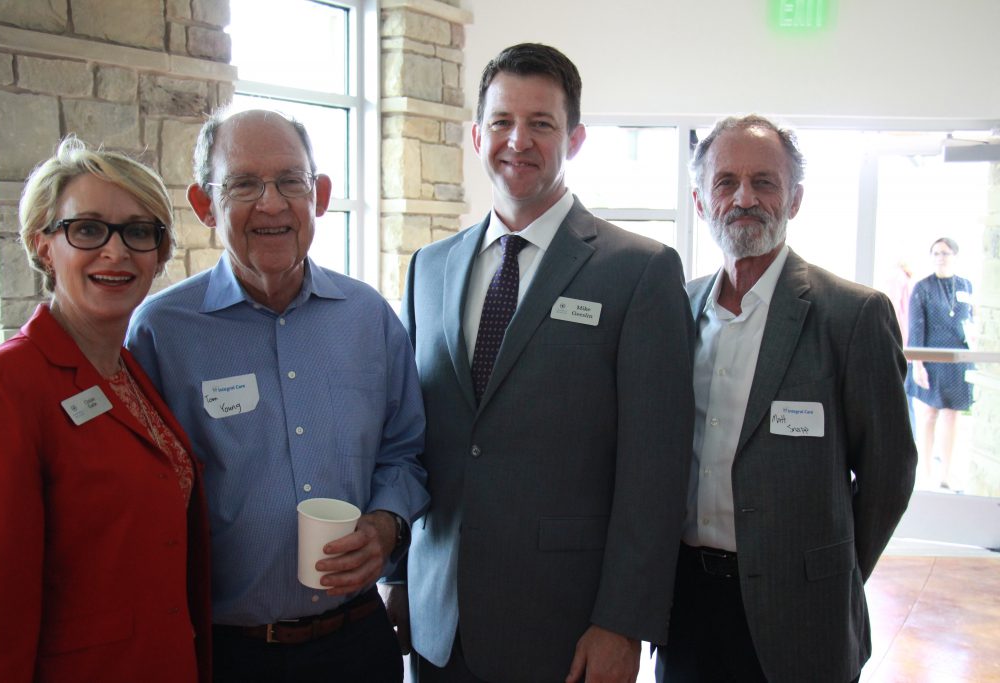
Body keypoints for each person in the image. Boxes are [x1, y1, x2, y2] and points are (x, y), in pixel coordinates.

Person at [388, 43, 695, 683]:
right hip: (437, 619)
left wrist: (623, 622)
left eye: (542, 124)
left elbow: (655, 467)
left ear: (575, 138)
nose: (517, 141)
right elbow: (410, 435)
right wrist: (398, 575)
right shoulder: (430, 268)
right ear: (477, 135)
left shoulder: (639, 271)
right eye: (501, 122)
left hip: (565, 628)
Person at [126, 109, 429, 682]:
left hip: (358, 645)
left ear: (319, 195)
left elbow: (405, 452)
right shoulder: (161, 333)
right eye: (243, 184)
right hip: (227, 656)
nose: (271, 203)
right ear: (203, 204)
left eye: (291, 181)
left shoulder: (369, 319)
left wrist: (388, 523)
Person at [658, 115, 917, 683]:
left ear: (794, 199)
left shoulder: (851, 315)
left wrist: (831, 569)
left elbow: (889, 473)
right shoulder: (675, 308)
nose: (744, 198)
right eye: (725, 182)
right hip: (687, 605)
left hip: (803, 610)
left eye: (764, 182)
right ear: (701, 202)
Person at [0, 137, 211, 682]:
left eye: (138, 231)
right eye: (86, 229)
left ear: (159, 252)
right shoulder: (2, 387)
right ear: (42, 246)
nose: (116, 251)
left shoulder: (131, 371)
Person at [905, 237, 974, 489]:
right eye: (935, 253)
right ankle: (925, 470)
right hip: (931, 359)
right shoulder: (923, 287)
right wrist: (918, 364)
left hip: (958, 360)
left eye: (944, 253)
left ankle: (945, 471)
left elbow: (972, 321)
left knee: (951, 416)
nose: (940, 257)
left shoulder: (966, 285)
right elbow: (916, 327)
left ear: (954, 255)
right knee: (929, 414)